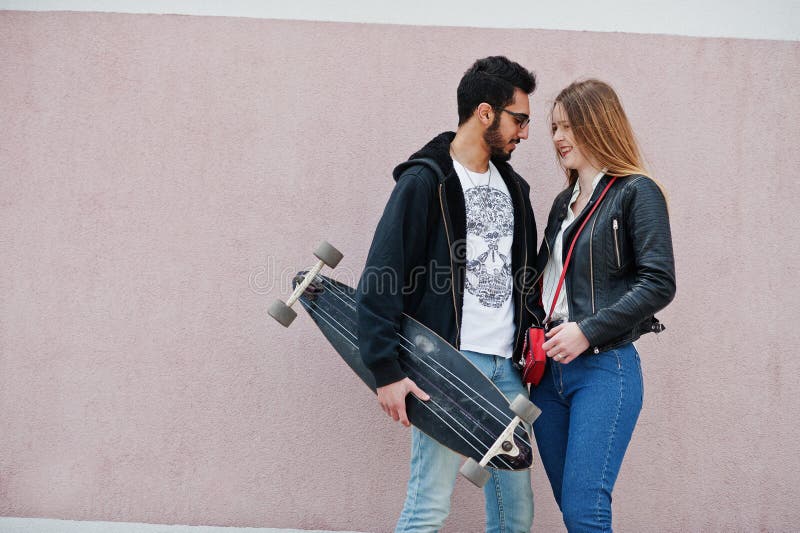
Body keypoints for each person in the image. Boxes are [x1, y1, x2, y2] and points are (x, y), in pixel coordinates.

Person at [356, 56, 541, 532]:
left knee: (514, 515)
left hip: (507, 371)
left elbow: (527, 281)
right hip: (448, 368)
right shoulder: (427, 181)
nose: (524, 133)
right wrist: (386, 371)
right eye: (518, 119)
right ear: (485, 113)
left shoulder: (516, 190)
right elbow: (382, 275)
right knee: (429, 507)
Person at [531, 79, 676, 532]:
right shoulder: (563, 203)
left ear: (599, 124)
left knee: (585, 510)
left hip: (603, 368)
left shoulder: (636, 192)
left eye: (569, 126)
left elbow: (659, 282)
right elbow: (544, 283)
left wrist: (587, 329)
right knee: (572, 509)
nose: (557, 137)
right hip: (548, 375)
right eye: (554, 127)